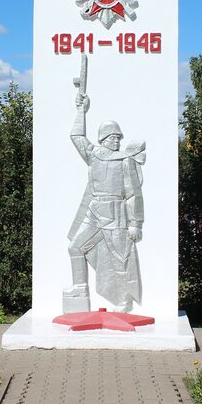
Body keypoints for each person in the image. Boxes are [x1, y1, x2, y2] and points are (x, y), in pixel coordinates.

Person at [63, 88, 146, 313]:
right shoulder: (93, 155)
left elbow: (133, 194)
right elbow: (76, 137)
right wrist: (81, 110)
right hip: (95, 211)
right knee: (75, 247)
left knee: (120, 259)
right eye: (113, 137)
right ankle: (80, 288)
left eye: (119, 137)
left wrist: (135, 223)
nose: (117, 140)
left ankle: (124, 301)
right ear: (103, 138)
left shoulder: (125, 160)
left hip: (116, 214)